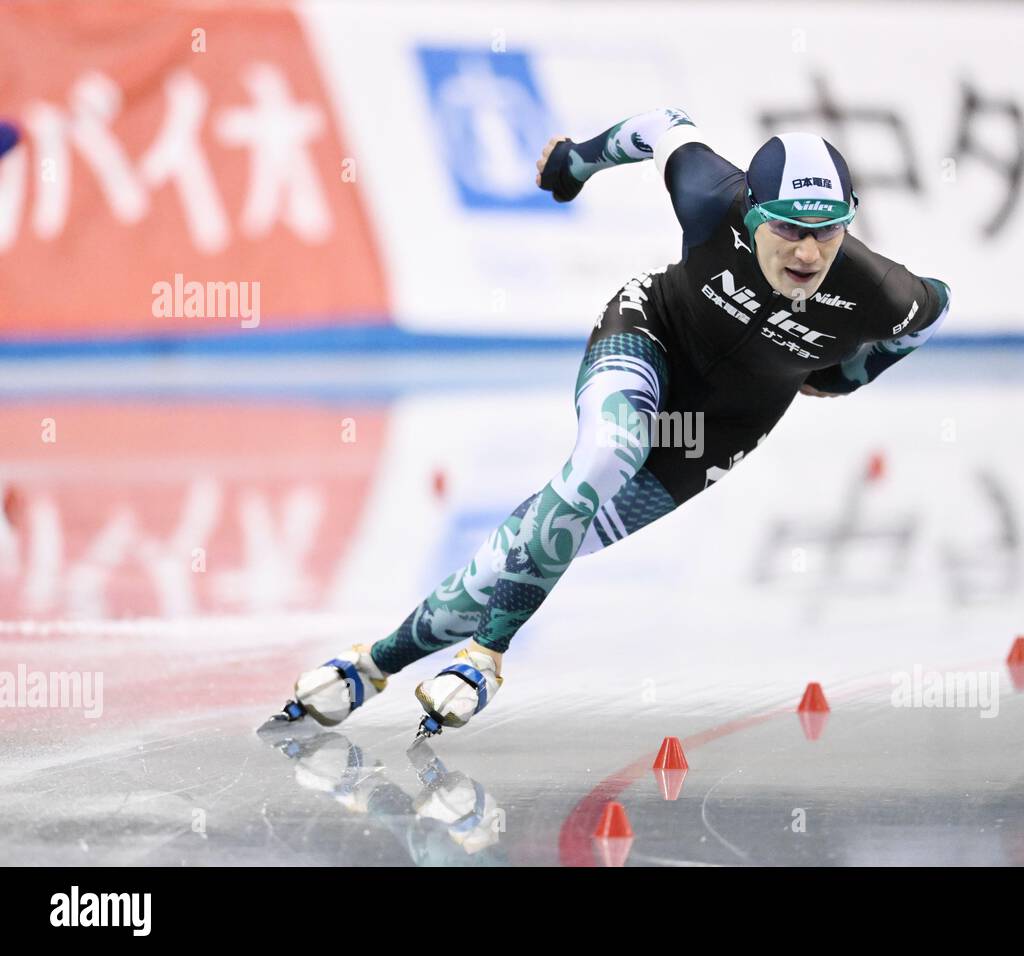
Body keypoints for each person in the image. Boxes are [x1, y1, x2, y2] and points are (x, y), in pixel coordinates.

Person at [275, 107, 951, 737]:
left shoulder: (883, 293)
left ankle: (373, 666)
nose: (807, 253)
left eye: (826, 229)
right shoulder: (712, 195)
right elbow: (661, 125)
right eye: (788, 229)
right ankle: (486, 657)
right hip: (650, 333)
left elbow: (934, 311)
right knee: (604, 455)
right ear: (751, 214)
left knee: (529, 552)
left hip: (719, 427)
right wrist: (574, 162)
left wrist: (847, 377)